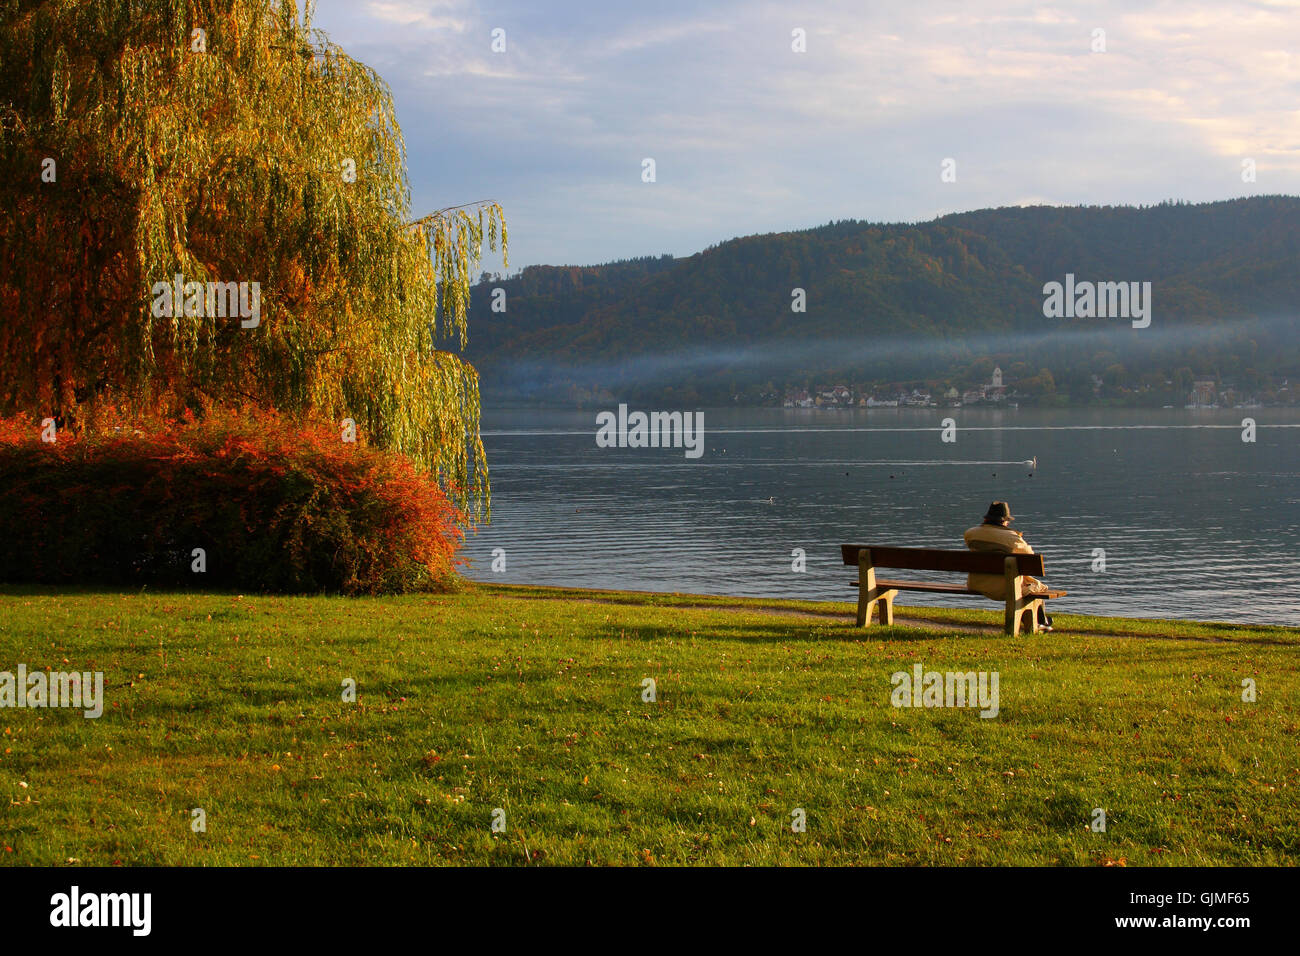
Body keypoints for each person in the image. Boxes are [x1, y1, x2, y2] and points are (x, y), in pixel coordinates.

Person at [963, 501, 1053, 630]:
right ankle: (1041, 623)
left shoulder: (971, 534)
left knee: (1029, 584)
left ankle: (1041, 622)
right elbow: (1030, 555)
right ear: (1004, 521)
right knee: (1036, 587)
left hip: (976, 584)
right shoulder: (1011, 538)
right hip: (1004, 588)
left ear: (987, 518)